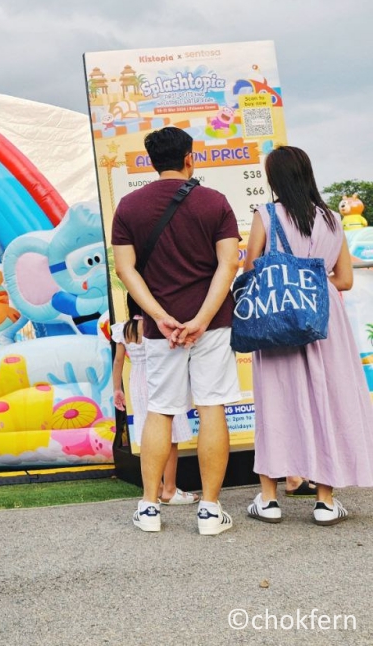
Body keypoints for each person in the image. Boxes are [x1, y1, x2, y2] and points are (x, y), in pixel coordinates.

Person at [112, 126, 242, 535]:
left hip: (159, 329)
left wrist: (159, 315)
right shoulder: (214, 202)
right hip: (213, 326)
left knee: (160, 410)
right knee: (211, 407)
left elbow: (125, 269)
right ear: (190, 157)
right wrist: (202, 318)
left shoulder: (129, 206)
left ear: (152, 160)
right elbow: (228, 264)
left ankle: (149, 507)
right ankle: (209, 510)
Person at [243, 146, 373, 525]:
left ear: (274, 180)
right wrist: (315, 278)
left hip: (278, 318)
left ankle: (268, 498)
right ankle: (326, 501)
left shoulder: (266, 215)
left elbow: (253, 266)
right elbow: (345, 279)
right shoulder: (333, 220)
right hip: (325, 321)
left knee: (275, 402)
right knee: (325, 401)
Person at [111, 314, 199, 505]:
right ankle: (169, 488)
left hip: (138, 381)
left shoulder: (124, 329)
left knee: (148, 433)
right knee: (170, 434)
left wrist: (117, 389)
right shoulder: (157, 325)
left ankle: (154, 488)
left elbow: (118, 361)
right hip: (161, 376)